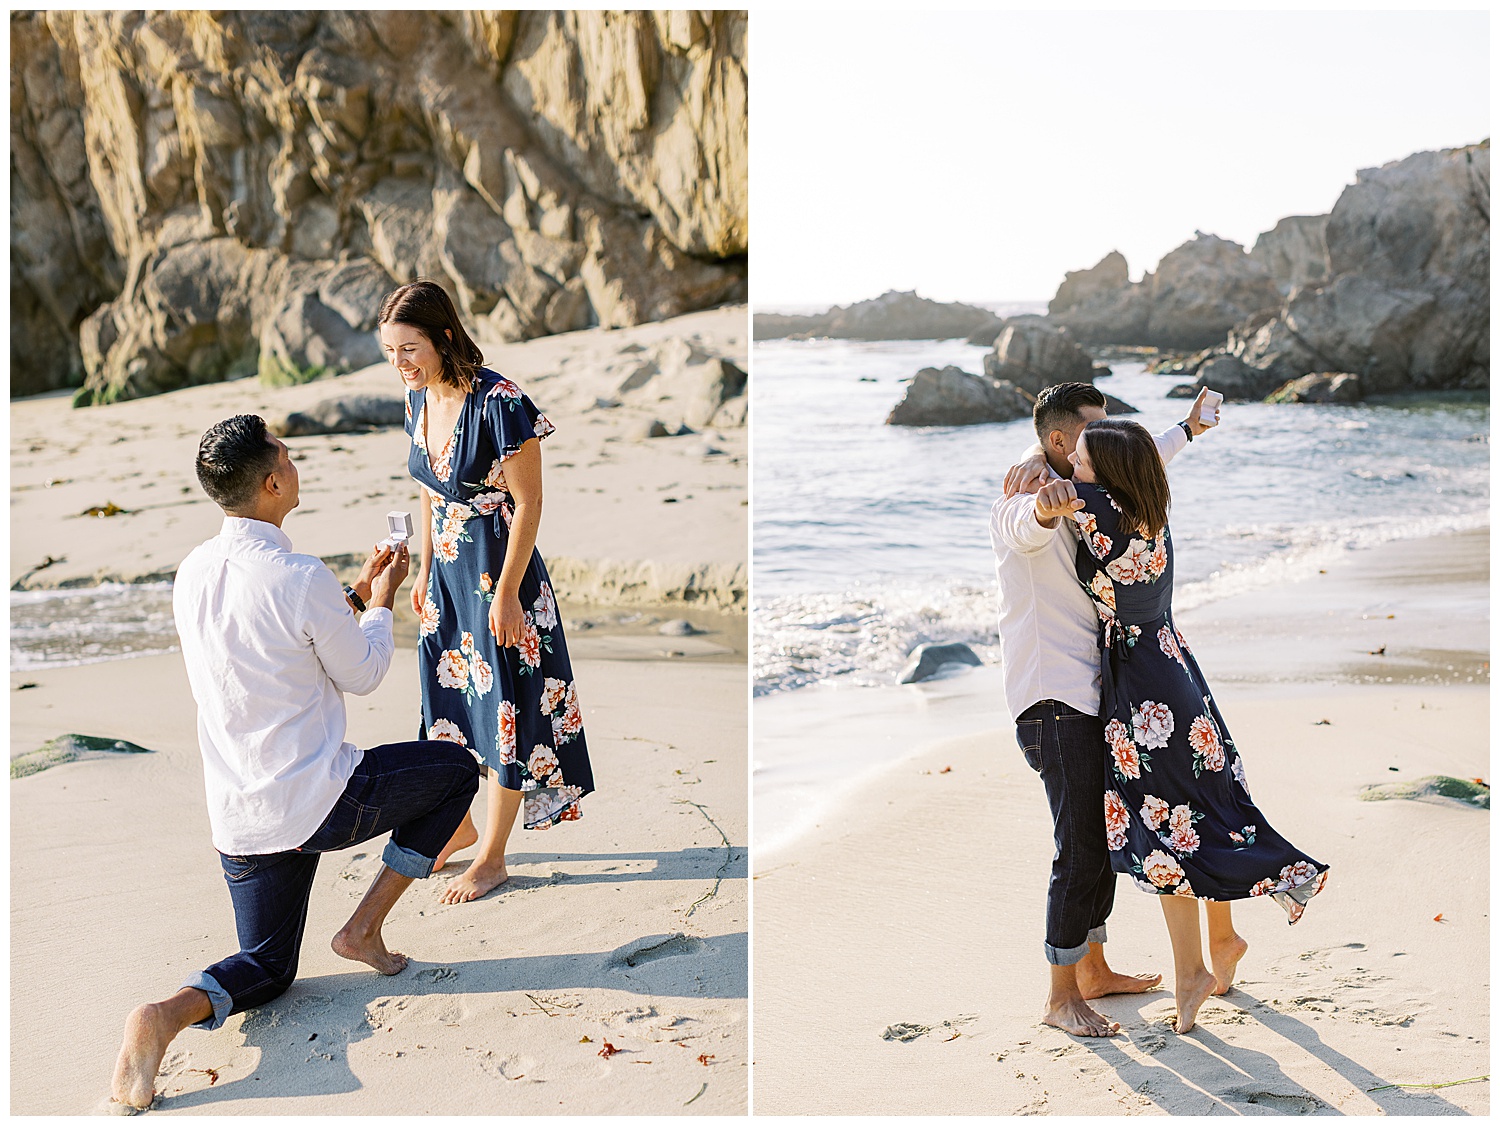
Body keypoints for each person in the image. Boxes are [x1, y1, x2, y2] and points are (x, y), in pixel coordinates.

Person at [110, 414, 481, 1110]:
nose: (293, 460)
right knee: (457, 771)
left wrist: (352, 595)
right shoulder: (296, 574)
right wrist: (380, 603)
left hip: (239, 814)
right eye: (286, 452)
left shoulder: (193, 572)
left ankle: (163, 1015)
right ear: (274, 481)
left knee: (269, 968)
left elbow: (272, 641)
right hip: (319, 798)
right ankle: (364, 927)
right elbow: (365, 672)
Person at [1065, 417, 1328, 1033]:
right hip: (1176, 669)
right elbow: (1143, 456)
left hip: (1143, 694)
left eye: (1079, 462)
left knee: (1166, 832)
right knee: (1196, 812)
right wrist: (1183, 429)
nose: (1069, 469)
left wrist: (1031, 473)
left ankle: (1192, 973)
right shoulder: (1147, 503)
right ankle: (1224, 939)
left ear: (1104, 478)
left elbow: (1042, 495)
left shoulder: (1096, 509)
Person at [988, 382, 1218, 1038]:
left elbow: (1144, 461)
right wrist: (1042, 501)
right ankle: (1061, 995)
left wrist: (1189, 429)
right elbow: (1023, 528)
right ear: (1060, 442)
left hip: (1094, 698)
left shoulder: (1092, 484)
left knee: (1105, 836)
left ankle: (1093, 969)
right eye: (1092, 433)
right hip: (1051, 701)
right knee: (1080, 847)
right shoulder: (1020, 499)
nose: (1105, 442)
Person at [378, 280, 594, 906]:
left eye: (410, 348)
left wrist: (506, 596)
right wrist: (421, 570)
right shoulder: (417, 400)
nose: (400, 364)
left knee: (505, 709)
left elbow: (529, 504)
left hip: (502, 572)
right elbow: (428, 485)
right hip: (446, 573)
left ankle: (494, 855)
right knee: (449, 708)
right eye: (391, 351)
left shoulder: (501, 403)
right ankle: (459, 824)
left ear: (445, 337)